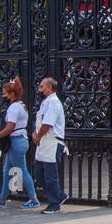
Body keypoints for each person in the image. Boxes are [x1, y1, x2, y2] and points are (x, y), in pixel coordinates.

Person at [0, 76, 41, 209]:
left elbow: (10, 127)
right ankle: (2, 199)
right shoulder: (21, 105)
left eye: (5, 92)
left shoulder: (13, 108)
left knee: (22, 170)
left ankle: (33, 199)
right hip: (18, 140)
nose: (3, 95)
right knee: (7, 170)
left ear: (12, 94)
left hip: (16, 141)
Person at [33, 76, 68, 214]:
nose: (39, 89)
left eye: (42, 86)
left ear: (49, 88)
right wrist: (35, 133)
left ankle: (54, 203)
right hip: (44, 142)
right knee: (39, 172)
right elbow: (40, 121)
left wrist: (38, 136)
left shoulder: (53, 102)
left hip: (52, 142)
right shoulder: (45, 102)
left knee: (50, 174)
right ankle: (59, 195)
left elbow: (48, 123)